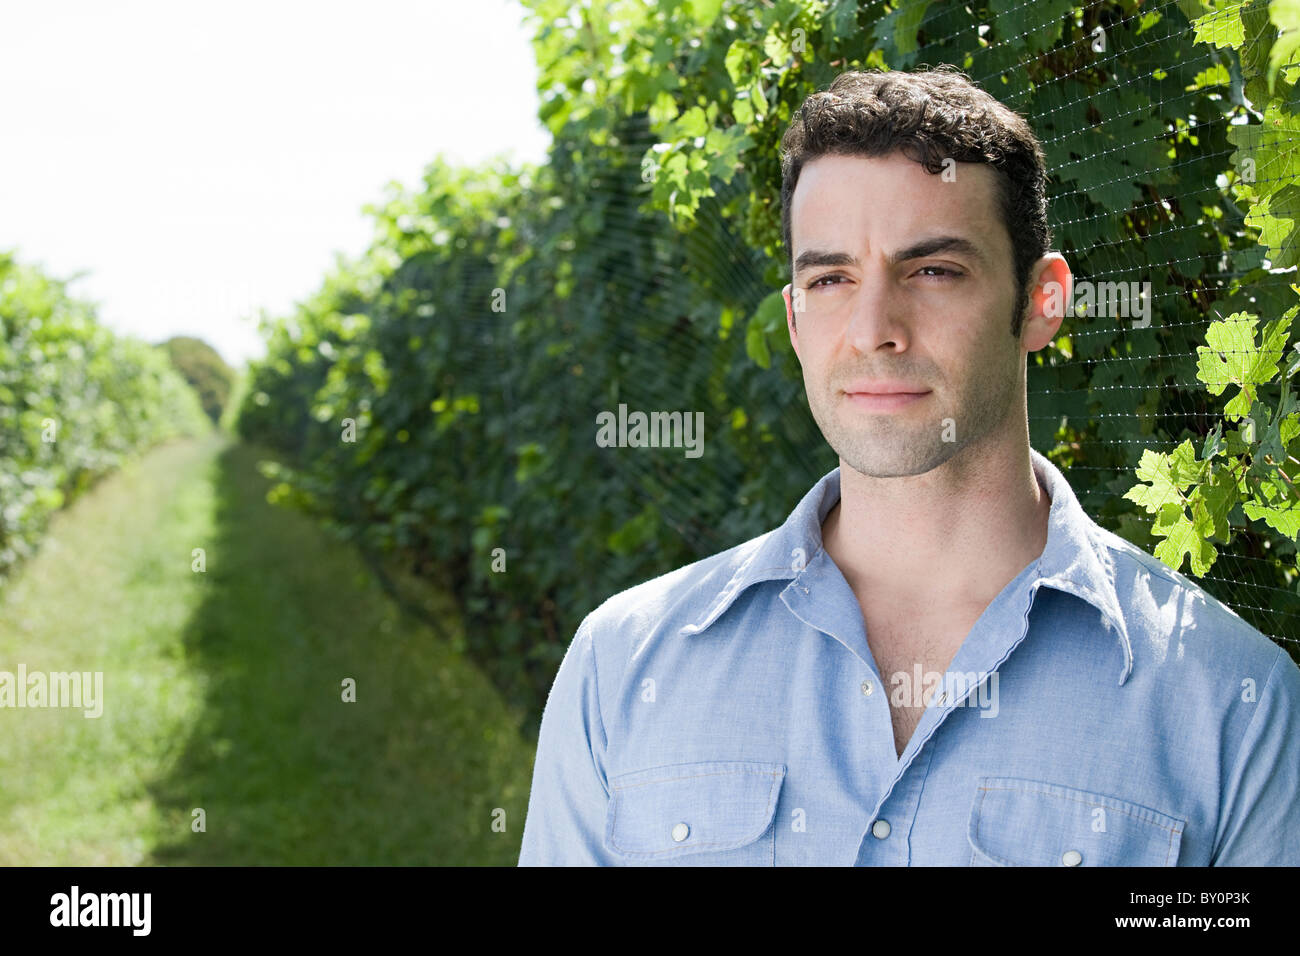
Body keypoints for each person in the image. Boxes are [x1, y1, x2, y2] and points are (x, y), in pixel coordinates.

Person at [518, 65, 1300, 866]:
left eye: (932, 271)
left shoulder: (1235, 707)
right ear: (794, 321)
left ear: (1041, 302)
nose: (872, 329)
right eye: (829, 279)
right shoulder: (621, 665)